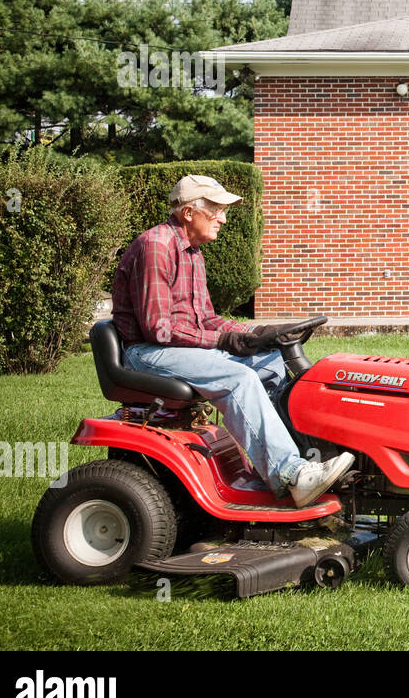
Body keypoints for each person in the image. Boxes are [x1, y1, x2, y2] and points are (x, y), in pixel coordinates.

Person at [110, 174, 353, 507]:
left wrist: (256, 334)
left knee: (270, 365)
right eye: (216, 210)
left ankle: (291, 461)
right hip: (149, 352)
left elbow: (206, 319)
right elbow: (158, 329)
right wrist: (224, 341)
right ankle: (291, 474)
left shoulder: (192, 253)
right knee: (239, 378)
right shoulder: (157, 246)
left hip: (174, 347)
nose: (223, 218)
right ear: (188, 213)